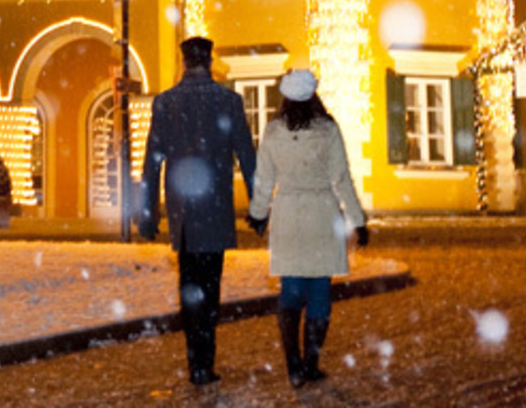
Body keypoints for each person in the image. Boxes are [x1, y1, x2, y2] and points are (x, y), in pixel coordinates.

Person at [137, 35, 258, 386]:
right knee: (211, 285)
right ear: (208, 61)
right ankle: (205, 358)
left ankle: (196, 362)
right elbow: (247, 157)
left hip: (183, 213)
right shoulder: (229, 101)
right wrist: (258, 203)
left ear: (184, 62)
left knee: (189, 285)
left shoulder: (165, 103)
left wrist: (148, 211)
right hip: (215, 208)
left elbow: (151, 162)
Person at [247, 67, 369, 388]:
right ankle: (311, 361)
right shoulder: (328, 131)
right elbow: (341, 179)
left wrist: (259, 213)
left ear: (286, 96)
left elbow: (264, 181)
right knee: (319, 293)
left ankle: (293, 364)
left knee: (291, 290)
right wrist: (357, 220)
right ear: (314, 95)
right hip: (321, 213)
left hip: (287, 213)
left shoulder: (273, 132)